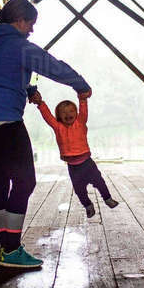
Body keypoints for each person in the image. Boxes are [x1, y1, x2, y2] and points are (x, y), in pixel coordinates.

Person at [0, 0, 91, 269]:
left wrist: (29, 90)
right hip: (4, 122)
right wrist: (81, 86)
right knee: (25, 182)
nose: (31, 30)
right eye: (30, 24)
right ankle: (11, 250)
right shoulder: (22, 46)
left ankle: (6, 247)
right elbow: (54, 66)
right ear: (20, 21)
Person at [29, 90, 119, 218]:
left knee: (100, 182)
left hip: (88, 164)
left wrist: (82, 100)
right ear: (59, 116)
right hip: (73, 167)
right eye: (64, 112)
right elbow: (48, 116)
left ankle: (108, 199)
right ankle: (88, 205)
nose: (68, 114)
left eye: (71, 111)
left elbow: (83, 112)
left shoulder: (80, 123)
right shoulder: (58, 127)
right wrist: (40, 104)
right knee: (79, 190)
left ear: (76, 113)